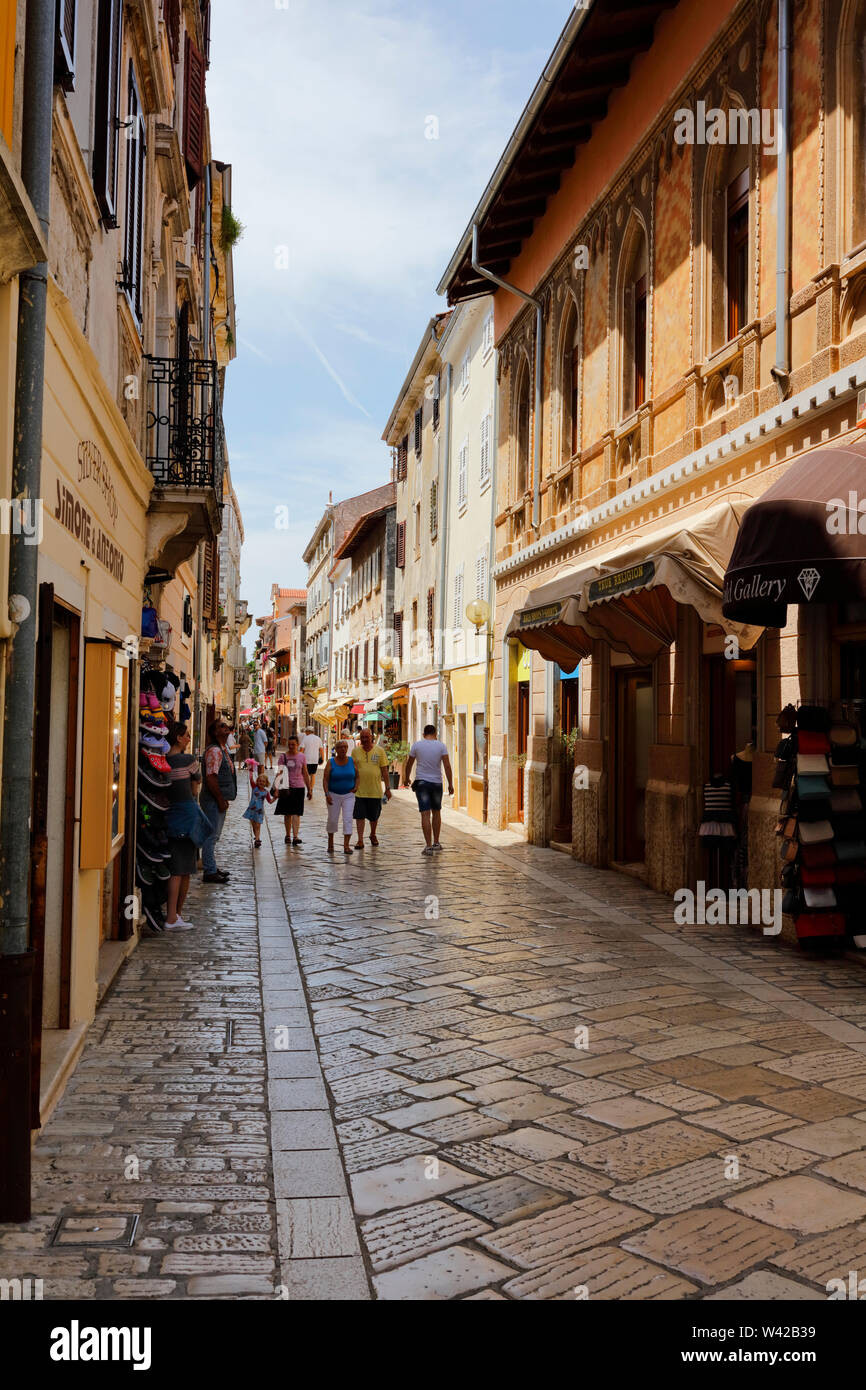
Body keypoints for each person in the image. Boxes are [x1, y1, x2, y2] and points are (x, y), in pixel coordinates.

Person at [164, 722, 202, 930]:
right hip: (186, 818)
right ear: (178, 738)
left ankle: (174, 915)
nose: (189, 738)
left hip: (169, 817)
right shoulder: (188, 760)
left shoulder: (163, 761)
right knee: (182, 869)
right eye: (187, 735)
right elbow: (196, 786)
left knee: (176, 868)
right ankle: (173, 916)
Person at [404, 724, 454, 855]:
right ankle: (436, 842)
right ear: (436, 733)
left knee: (425, 814)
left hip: (422, 783)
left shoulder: (417, 745)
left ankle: (428, 846)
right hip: (437, 783)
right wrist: (450, 784)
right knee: (436, 812)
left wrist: (406, 778)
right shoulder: (441, 746)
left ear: (423, 734)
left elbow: (409, 763)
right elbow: (447, 766)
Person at [199, 718, 237, 882]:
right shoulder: (214, 751)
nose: (226, 727)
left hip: (217, 798)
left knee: (214, 835)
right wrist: (220, 799)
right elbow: (211, 778)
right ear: (215, 733)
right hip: (212, 799)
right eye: (222, 726)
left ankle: (211, 865)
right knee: (211, 835)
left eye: (226, 725)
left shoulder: (223, 748)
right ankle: (209, 870)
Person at [351, 726, 391, 848]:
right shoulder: (355, 751)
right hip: (359, 790)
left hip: (375, 790)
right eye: (362, 737)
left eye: (366, 737)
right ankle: (360, 840)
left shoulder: (379, 751)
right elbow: (352, 770)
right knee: (359, 816)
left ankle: (373, 834)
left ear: (371, 738)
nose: (364, 739)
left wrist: (388, 788)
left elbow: (384, 771)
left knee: (374, 817)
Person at [273, 734, 312, 844]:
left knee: (297, 813)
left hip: (299, 787)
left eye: (293, 745)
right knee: (287, 813)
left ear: (298, 745)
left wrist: (309, 788)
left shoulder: (302, 757)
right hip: (286, 788)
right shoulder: (283, 757)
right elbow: (279, 773)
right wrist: (276, 788)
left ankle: (295, 836)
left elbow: (305, 772)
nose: (291, 746)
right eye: (289, 745)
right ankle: (287, 835)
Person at [323, 739, 358, 855]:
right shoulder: (331, 762)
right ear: (336, 749)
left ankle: (346, 846)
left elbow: (357, 776)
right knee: (332, 819)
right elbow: (325, 779)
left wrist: (356, 786)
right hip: (333, 794)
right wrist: (327, 794)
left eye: (345, 747)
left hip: (349, 795)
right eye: (340, 747)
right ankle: (330, 843)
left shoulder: (352, 761)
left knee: (348, 819)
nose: (343, 749)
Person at [244, 767, 275, 848]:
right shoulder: (255, 788)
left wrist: (275, 797)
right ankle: (256, 837)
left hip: (259, 811)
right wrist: (251, 771)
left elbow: (270, 801)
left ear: (266, 783)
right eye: (260, 781)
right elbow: (251, 780)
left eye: (263, 781)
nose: (261, 782)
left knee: (258, 825)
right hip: (251, 810)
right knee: (254, 825)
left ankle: (257, 839)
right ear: (257, 781)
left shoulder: (266, 792)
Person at [301, 725, 324, 789]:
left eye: (306, 732)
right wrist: (322, 759)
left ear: (308, 731)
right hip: (315, 759)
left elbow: (301, 750)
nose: (305, 733)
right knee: (313, 775)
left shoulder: (305, 738)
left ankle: (308, 788)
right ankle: (311, 788)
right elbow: (321, 750)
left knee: (306, 775)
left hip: (306, 759)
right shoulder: (318, 739)